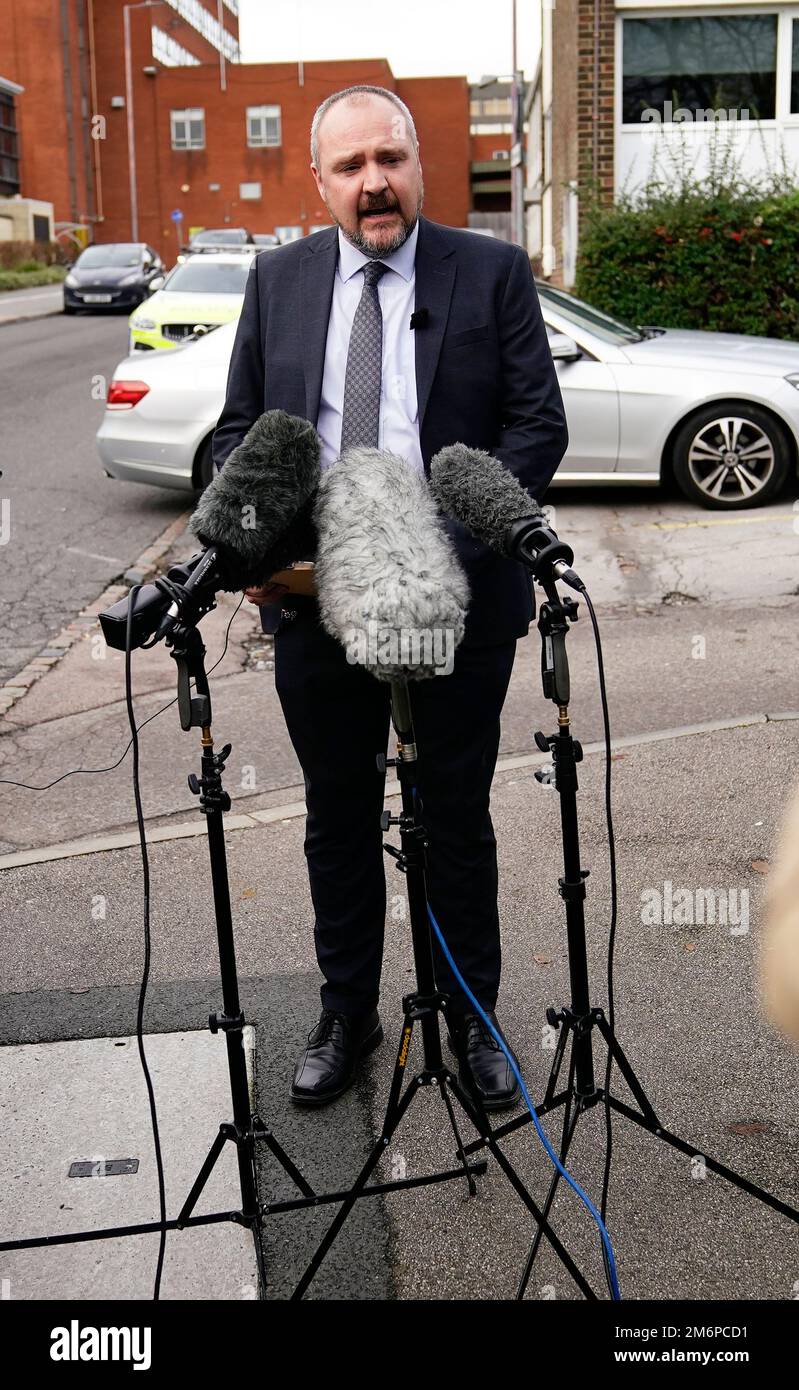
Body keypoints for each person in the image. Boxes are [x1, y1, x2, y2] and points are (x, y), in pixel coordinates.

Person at [211, 84, 568, 1109]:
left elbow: (534, 430)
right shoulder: (276, 281)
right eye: (351, 165)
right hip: (316, 600)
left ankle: (472, 1016)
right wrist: (256, 537)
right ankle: (345, 1011)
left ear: (417, 164)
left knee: (454, 814)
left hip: (456, 596)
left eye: (390, 158)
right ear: (318, 180)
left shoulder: (490, 271)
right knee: (337, 813)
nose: (375, 181)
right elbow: (243, 432)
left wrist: (429, 552)